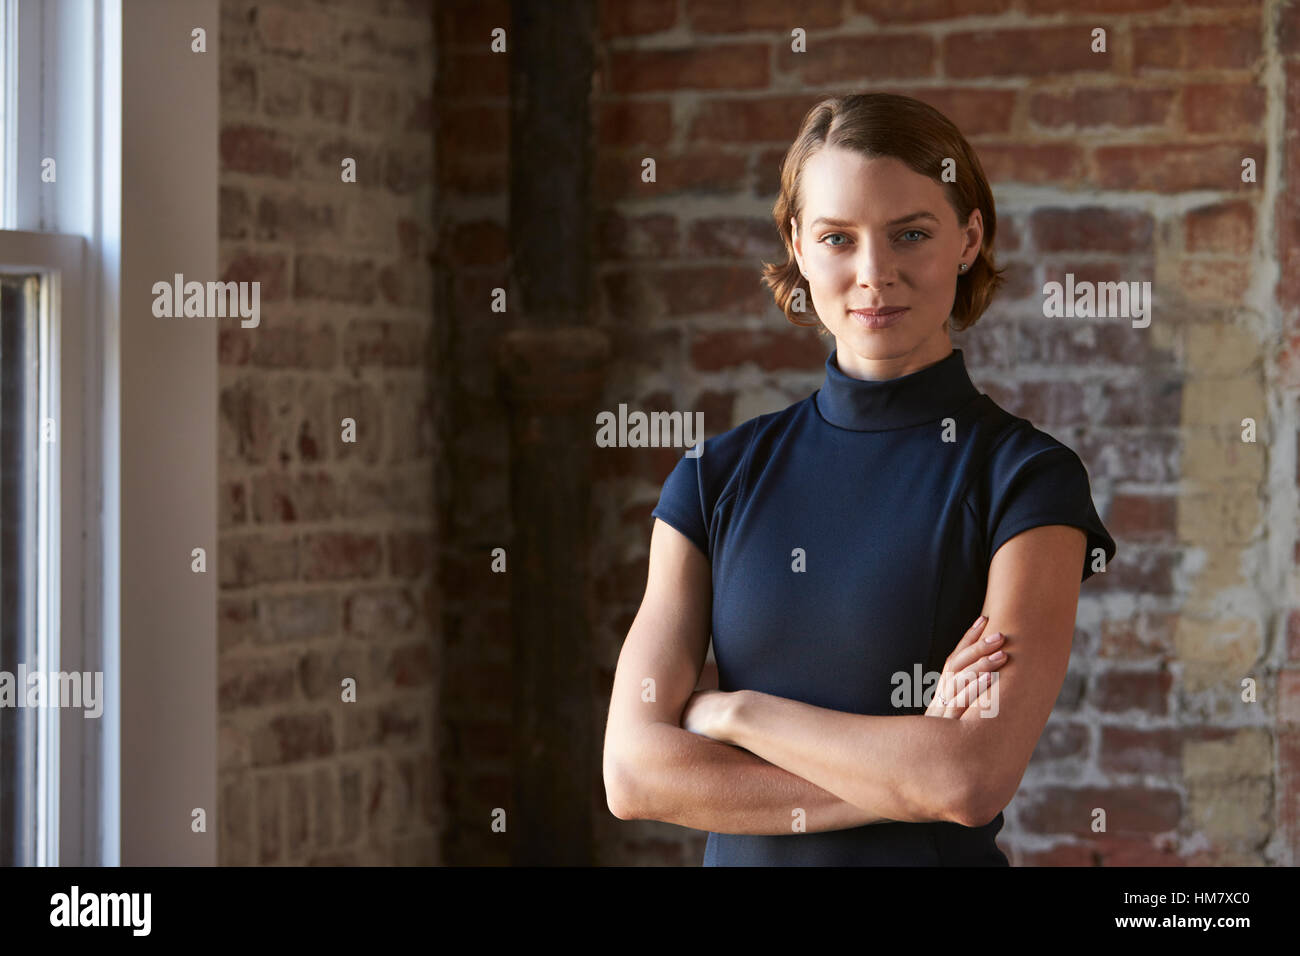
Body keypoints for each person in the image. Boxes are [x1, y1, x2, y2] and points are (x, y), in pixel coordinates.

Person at [602, 93, 1117, 865]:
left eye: (911, 233)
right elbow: (635, 775)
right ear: (798, 248)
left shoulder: (1029, 482)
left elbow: (973, 778)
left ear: (969, 238)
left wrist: (735, 713)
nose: (875, 274)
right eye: (838, 238)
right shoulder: (712, 480)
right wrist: (908, 775)